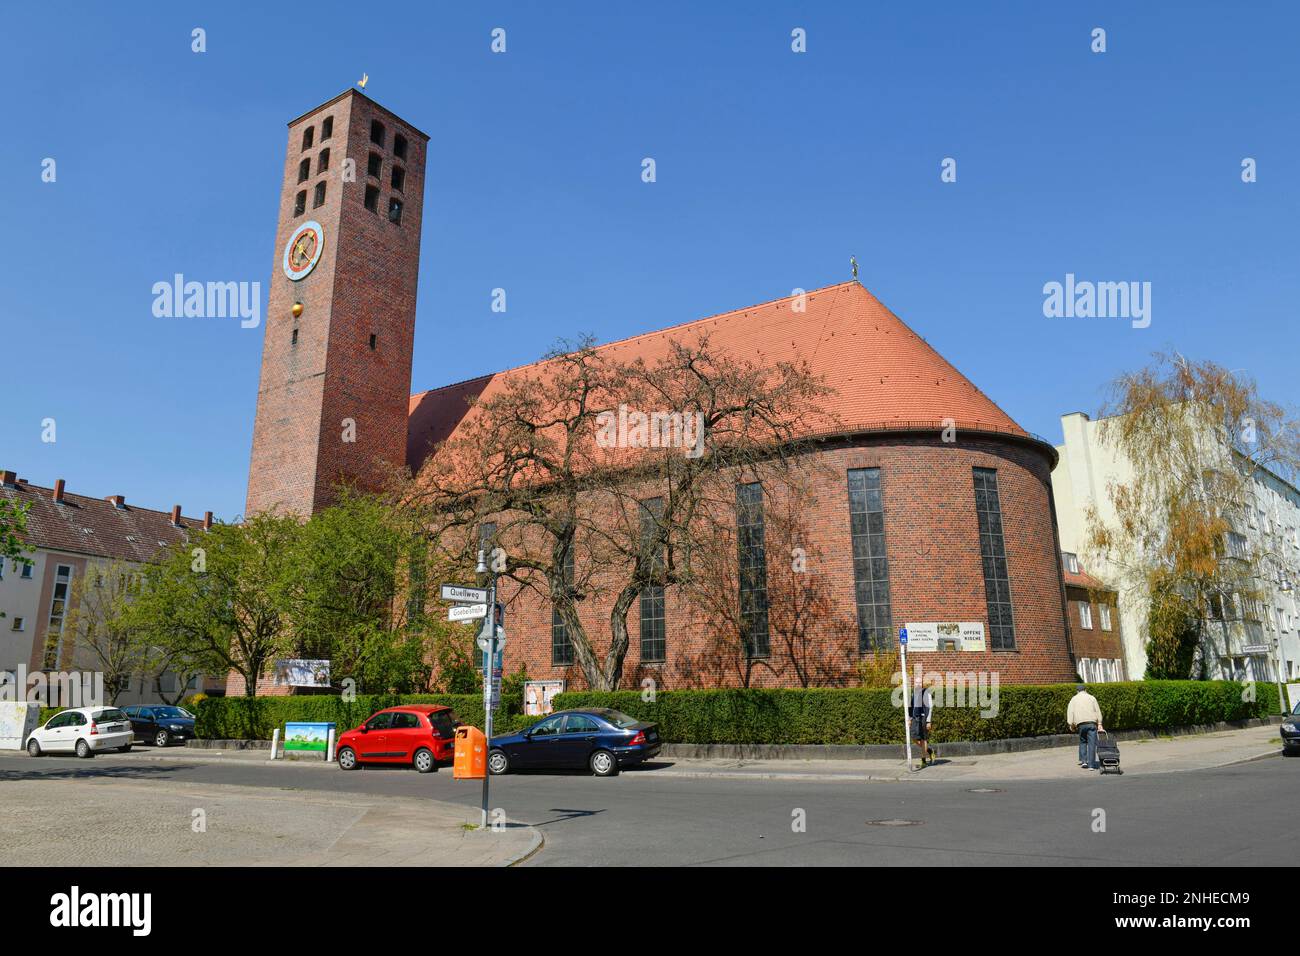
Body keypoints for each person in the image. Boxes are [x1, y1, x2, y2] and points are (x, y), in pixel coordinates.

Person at [1067, 683, 1104, 771]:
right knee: (1092, 744)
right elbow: (1097, 711)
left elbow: (1070, 712)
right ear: (1085, 690)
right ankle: (1091, 765)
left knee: (1083, 741)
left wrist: (1071, 724)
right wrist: (1099, 723)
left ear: (1077, 691)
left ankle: (1084, 761)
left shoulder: (1073, 699)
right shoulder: (1092, 698)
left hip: (1081, 724)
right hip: (1092, 723)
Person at [908, 681, 935, 768]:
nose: (918, 684)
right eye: (916, 682)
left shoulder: (926, 693)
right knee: (913, 737)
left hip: (923, 718)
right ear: (914, 684)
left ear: (922, 684)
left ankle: (923, 761)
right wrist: (910, 718)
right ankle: (929, 750)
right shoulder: (914, 693)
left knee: (923, 739)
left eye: (919, 682)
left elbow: (930, 707)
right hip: (915, 718)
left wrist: (928, 721)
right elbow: (911, 707)